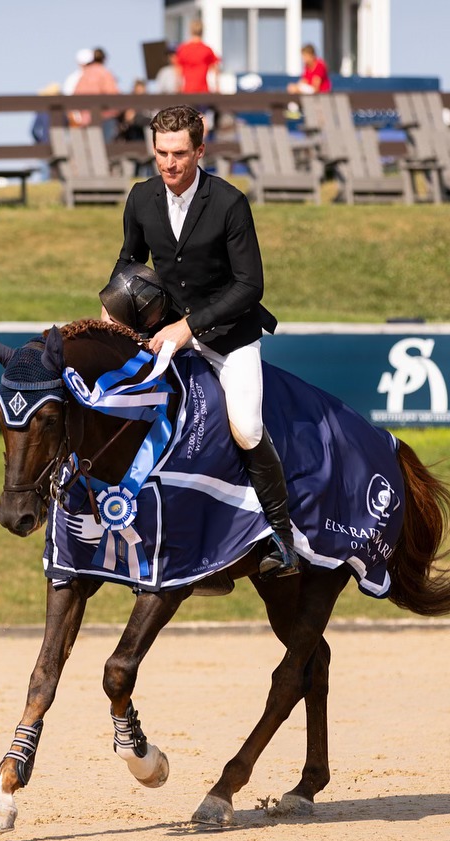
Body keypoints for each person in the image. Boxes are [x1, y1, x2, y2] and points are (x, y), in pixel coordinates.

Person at [104, 105, 298, 579]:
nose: (169, 164)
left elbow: (250, 286)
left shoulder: (230, 203)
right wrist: (111, 307)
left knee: (246, 428)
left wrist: (188, 328)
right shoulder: (141, 198)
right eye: (161, 153)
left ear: (200, 151)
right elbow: (129, 260)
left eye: (179, 154)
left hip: (229, 335)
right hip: (164, 332)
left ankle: (282, 536)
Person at [71, 47, 121, 141]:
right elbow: (113, 95)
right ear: (104, 59)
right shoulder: (105, 73)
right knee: (105, 149)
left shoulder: (84, 75)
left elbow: (75, 97)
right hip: (104, 118)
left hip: (86, 121)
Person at [174, 20, 219, 94]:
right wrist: (217, 87)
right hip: (203, 91)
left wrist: (177, 87)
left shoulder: (183, 49)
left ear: (190, 31)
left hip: (187, 91)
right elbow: (215, 69)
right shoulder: (207, 50)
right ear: (202, 32)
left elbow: (178, 70)